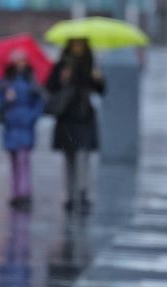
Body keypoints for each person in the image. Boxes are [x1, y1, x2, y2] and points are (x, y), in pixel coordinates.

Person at [46, 38, 106, 213]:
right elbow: (50, 86)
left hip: (85, 116)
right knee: (69, 158)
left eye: (81, 44)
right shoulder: (62, 65)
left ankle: (83, 192)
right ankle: (71, 195)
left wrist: (98, 78)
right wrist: (62, 79)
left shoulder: (91, 65)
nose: (78, 48)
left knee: (83, 155)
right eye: (75, 44)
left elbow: (101, 90)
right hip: (67, 116)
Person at [0, 50, 45, 208]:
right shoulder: (5, 82)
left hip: (25, 124)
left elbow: (39, 102)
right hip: (11, 125)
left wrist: (32, 116)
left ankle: (24, 192)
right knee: (14, 161)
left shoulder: (31, 81)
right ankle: (16, 192)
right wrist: (6, 100)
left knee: (23, 160)